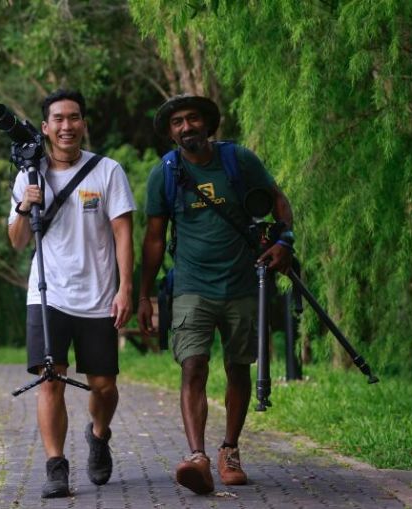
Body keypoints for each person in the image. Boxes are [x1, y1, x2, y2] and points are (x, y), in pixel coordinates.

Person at [136, 95, 294, 495]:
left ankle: (230, 450)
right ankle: (197, 457)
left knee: (238, 366)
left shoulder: (238, 161)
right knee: (193, 365)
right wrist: (144, 294)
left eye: (192, 119)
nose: (185, 127)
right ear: (171, 132)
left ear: (207, 124)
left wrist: (285, 242)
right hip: (191, 285)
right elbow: (153, 239)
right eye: (177, 123)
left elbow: (278, 201)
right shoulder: (165, 174)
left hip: (243, 282)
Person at [7, 89, 136, 498]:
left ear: (83, 123)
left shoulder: (107, 171)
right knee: (51, 380)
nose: (67, 126)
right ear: (45, 128)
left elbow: (123, 232)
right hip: (48, 295)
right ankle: (55, 466)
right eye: (58, 119)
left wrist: (125, 288)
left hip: (98, 295)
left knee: (104, 386)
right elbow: (16, 240)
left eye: (74, 118)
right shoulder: (28, 175)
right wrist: (26, 205)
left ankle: (99, 434)